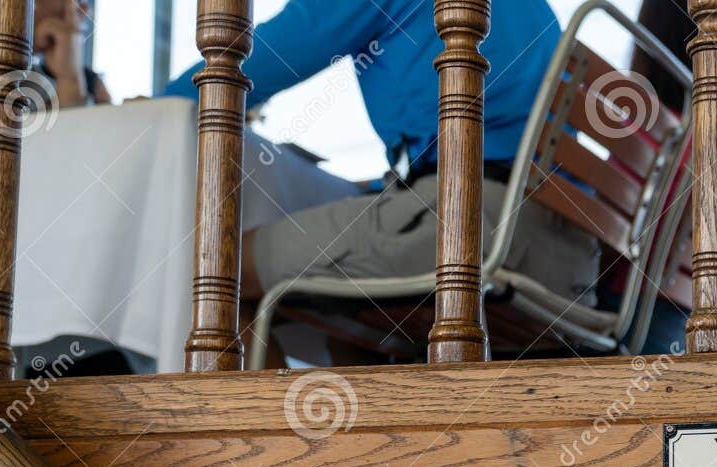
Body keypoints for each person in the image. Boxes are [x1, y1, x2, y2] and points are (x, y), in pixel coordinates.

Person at [164, 0, 600, 324]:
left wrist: (156, 109)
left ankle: (242, 447)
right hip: (573, 262)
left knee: (214, 271)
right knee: (337, 305)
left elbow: (260, 59)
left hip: (473, 233)